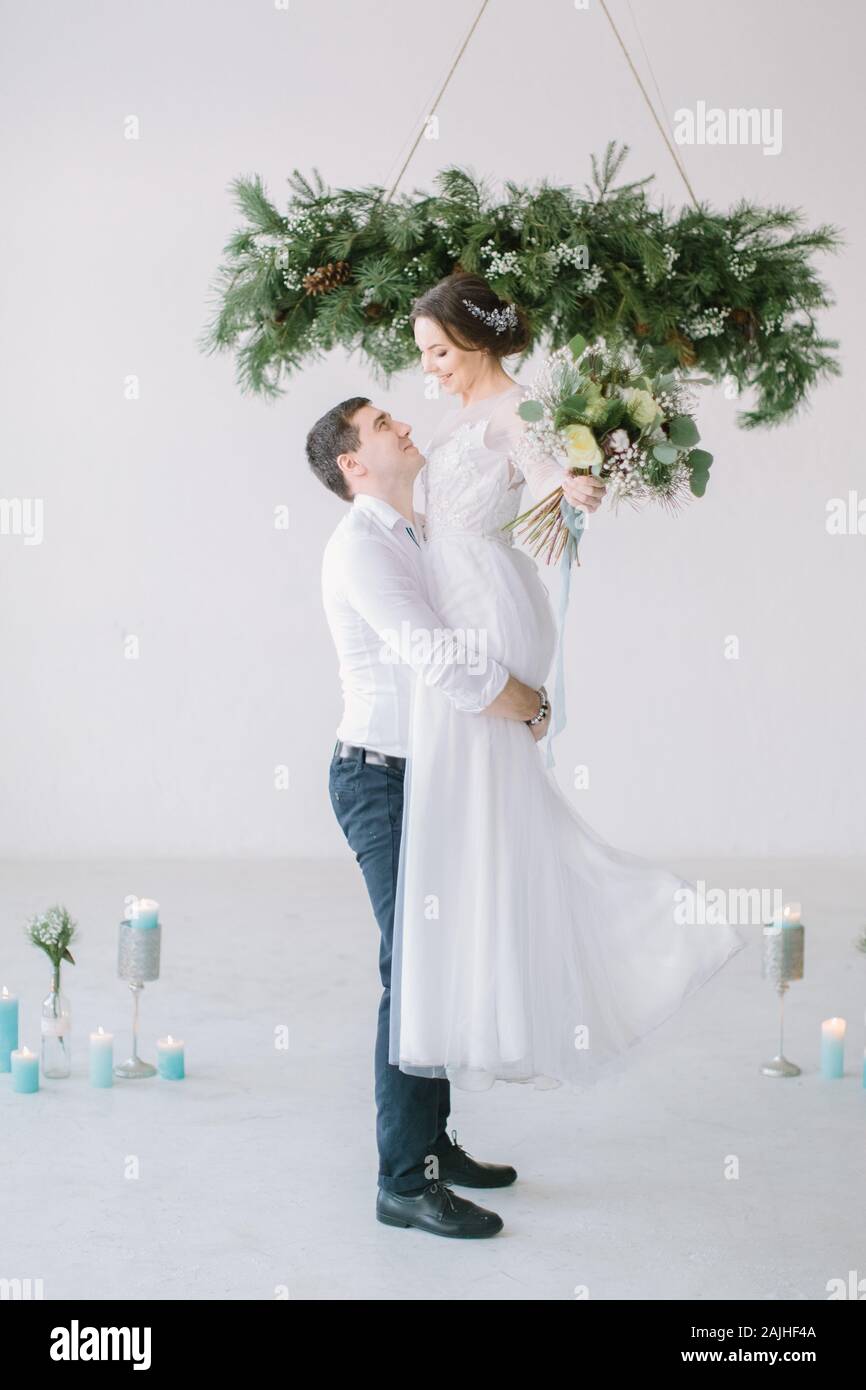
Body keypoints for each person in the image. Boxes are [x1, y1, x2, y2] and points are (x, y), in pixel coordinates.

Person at [386, 271, 747, 1094]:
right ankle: (488, 1006)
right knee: (479, 800)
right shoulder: (455, 416)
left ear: (474, 339)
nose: (430, 367)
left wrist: (575, 483)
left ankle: (627, 948)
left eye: (438, 351)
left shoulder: (517, 410)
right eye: (425, 355)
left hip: (487, 607)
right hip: (459, 596)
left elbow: (549, 473)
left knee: (484, 792)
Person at [307, 395, 559, 1238]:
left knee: (437, 956)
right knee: (412, 967)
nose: (405, 426)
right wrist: (525, 704)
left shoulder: (419, 533)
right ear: (353, 463)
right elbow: (437, 656)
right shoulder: (361, 548)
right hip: (378, 780)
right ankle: (402, 1182)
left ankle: (434, 1144)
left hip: (432, 775)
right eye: (384, 425)